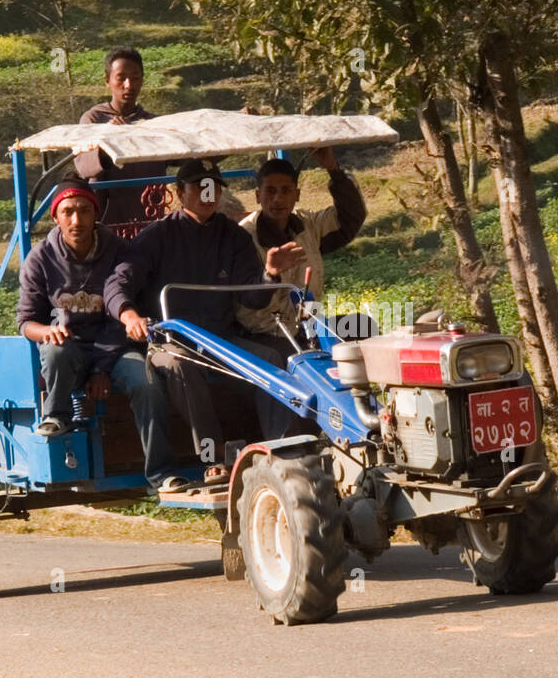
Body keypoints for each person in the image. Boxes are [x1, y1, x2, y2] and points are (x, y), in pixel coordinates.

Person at [109, 160, 306, 466]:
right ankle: (212, 454)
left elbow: (252, 298)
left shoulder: (233, 237)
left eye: (214, 187)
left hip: (220, 340)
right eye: (200, 187)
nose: (208, 193)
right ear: (179, 192)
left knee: (269, 360)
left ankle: (283, 452)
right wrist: (129, 315)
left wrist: (270, 274)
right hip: (171, 341)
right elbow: (117, 284)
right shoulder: (156, 236)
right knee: (178, 365)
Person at [16, 177, 185, 490]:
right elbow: (26, 322)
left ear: (96, 214)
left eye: (83, 211)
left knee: (146, 382)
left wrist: (101, 370)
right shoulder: (39, 259)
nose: (76, 220)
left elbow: (121, 314)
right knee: (56, 350)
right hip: (69, 351)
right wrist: (46, 333)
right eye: (67, 212)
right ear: (56, 217)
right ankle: (58, 416)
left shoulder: (120, 252)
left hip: (115, 349)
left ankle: (161, 474)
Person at [75, 46, 245, 225]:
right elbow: (84, 166)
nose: (129, 85)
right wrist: (112, 139)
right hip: (106, 223)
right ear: (107, 80)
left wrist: (238, 132)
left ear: (142, 80)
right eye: (121, 78)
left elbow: (192, 155)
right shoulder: (94, 119)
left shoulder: (154, 125)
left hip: (149, 218)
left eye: (135, 78)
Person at [236, 146, 366, 353]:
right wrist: (270, 275)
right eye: (270, 191)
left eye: (286, 191)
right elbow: (250, 301)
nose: (278, 199)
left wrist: (333, 169)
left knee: (362, 326)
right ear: (257, 196)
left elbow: (351, 218)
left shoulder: (309, 224)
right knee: (299, 360)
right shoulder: (242, 237)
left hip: (309, 327)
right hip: (266, 335)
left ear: (296, 195)